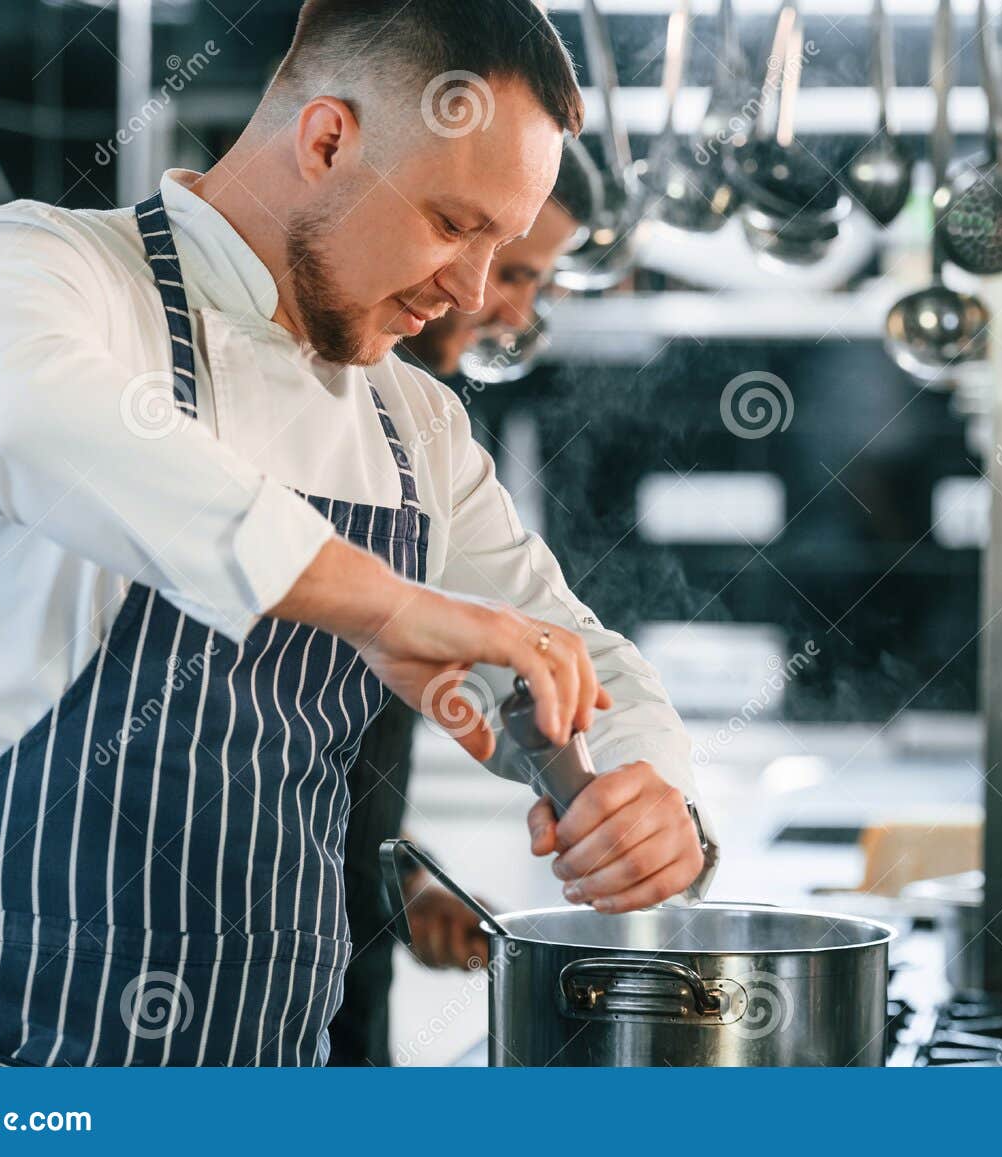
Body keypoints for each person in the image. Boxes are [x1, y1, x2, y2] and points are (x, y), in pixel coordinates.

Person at [0, 0, 712, 1069]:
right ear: (327, 139)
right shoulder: (33, 269)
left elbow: (574, 653)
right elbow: (29, 420)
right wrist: (387, 603)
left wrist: (648, 792)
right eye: (453, 223)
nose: (472, 291)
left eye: (502, 247)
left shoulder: (414, 424)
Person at [328, 144, 596, 1068]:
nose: (508, 304)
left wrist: (398, 879)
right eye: (506, 264)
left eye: (529, 279)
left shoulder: (428, 421)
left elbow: (313, 757)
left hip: (335, 967)